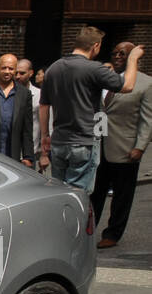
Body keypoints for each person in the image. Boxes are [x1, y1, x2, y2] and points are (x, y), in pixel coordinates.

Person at [41, 26, 145, 193]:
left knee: (59, 193)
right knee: (78, 195)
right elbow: (128, 85)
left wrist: (45, 136)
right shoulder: (94, 68)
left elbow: (44, 105)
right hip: (84, 141)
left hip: (59, 141)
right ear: (96, 45)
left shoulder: (53, 68)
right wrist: (132, 59)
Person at [92, 41, 151, 248]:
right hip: (98, 146)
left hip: (125, 148)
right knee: (95, 193)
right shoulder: (104, 79)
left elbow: (147, 119)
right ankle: (89, 231)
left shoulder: (145, 83)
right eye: (115, 52)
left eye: (123, 53)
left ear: (133, 56)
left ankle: (113, 234)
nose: (117, 56)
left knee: (122, 196)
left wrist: (140, 146)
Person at [15, 57, 42, 165]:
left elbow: (46, 125)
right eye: (16, 73)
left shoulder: (39, 95)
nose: (17, 76)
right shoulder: (9, 94)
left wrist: (44, 153)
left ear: (30, 73)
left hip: (32, 152)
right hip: (12, 152)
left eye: (22, 73)